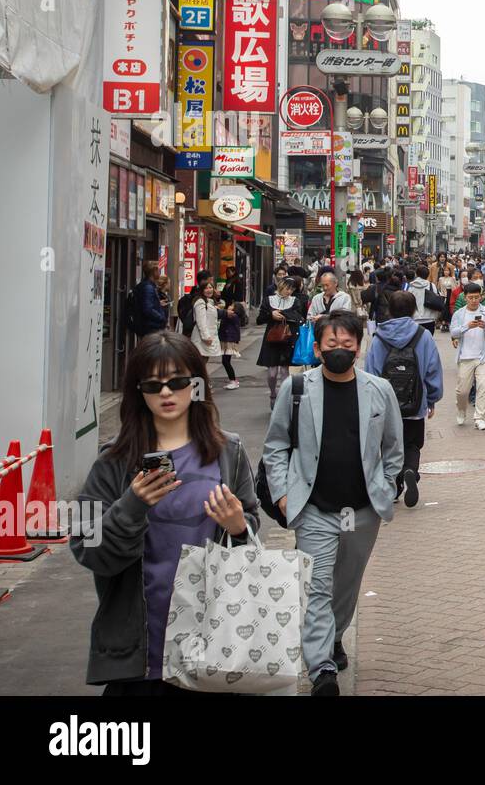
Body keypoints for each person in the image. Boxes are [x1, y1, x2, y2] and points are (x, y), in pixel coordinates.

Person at [70, 331, 259, 693]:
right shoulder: (111, 462)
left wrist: (238, 528)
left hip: (214, 645)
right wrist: (132, 504)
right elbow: (86, 546)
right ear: (138, 391)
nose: (167, 393)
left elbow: (249, 532)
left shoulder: (228, 451)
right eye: (154, 385)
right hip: (140, 654)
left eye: (178, 382)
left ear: (197, 385)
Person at [263, 311, 404, 695]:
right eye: (331, 345)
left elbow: (394, 446)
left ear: (359, 347)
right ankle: (322, 668)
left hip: (362, 510)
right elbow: (275, 445)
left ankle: (335, 634)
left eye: (347, 344)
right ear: (318, 347)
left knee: (347, 582)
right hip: (314, 508)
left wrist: (388, 485)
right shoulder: (298, 389)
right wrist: (282, 492)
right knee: (318, 585)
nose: (339, 351)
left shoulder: (379, 390)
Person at [364, 290, 443, 508]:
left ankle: (395, 485)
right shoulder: (423, 336)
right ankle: (411, 469)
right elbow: (432, 369)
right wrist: (432, 398)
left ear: (389, 310)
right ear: (414, 310)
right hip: (415, 401)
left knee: (388, 444)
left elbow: (370, 372)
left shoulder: (379, 337)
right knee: (412, 443)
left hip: (385, 404)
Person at [450, 282, 485, 430]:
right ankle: (461, 410)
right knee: (462, 391)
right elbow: (453, 332)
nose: (474, 300)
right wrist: (467, 327)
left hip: (484, 356)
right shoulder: (460, 314)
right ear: (465, 297)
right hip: (465, 357)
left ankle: (479, 417)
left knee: (483, 387)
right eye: (470, 297)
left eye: (477, 297)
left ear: (480, 297)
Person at [257, 274, 304, 408]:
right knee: (272, 373)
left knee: (285, 371)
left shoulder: (295, 301)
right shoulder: (268, 300)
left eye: (292, 289)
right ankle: (273, 393)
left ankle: (283, 400)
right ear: (281, 287)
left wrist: (283, 315)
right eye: (287, 288)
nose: (289, 291)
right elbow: (259, 319)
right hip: (271, 339)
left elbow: (299, 317)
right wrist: (271, 315)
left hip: (287, 339)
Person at [128, 262, 169, 337]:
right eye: (158, 270)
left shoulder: (147, 285)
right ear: (154, 272)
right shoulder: (148, 287)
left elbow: (147, 304)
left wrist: (158, 304)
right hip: (151, 327)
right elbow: (148, 309)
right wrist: (161, 318)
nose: (159, 273)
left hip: (148, 327)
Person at [189, 279, 220, 368]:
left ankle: (201, 380)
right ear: (202, 290)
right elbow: (201, 321)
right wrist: (206, 337)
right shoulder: (200, 302)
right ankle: (197, 380)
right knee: (199, 363)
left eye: (210, 287)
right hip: (201, 338)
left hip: (208, 336)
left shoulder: (210, 301)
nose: (209, 290)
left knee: (203, 361)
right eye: (206, 288)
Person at [216, 290, 243, 389]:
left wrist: (217, 308)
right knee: (226, 361)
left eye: (232, 305)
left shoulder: (233, 316)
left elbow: (222, 314)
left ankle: (233, 381)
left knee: (226, 361)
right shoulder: (233, 316)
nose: (229, 306)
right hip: (227, 339)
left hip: (229, 340)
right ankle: (233, 380)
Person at [407, 264, 444, 337]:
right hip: (429, 318)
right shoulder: (431, 285)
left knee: (416, 341)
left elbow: (408, 301)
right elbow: (437, 298)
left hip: (415, 318)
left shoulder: (411, 287)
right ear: (427, 275)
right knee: (428, 341)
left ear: (416, 274)